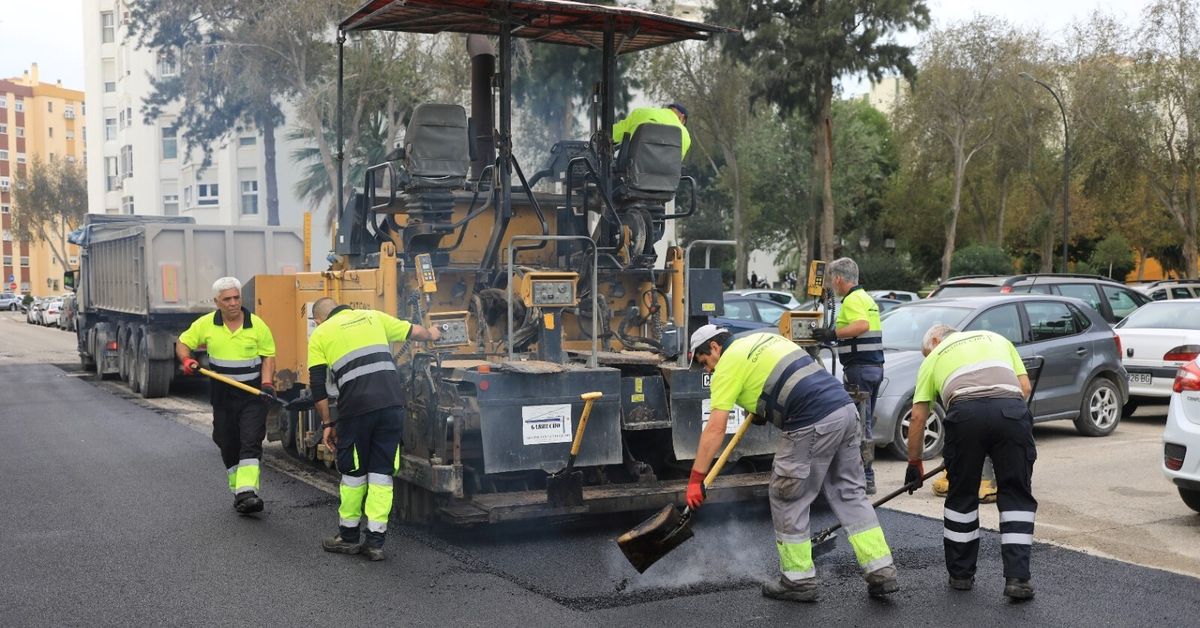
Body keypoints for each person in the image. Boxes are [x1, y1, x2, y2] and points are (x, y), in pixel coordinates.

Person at [687, 324, 898, 603]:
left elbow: (715, 429)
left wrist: (695, 480)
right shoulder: (764, 339)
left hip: (812, 421)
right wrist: (761, 407)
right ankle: (881, 571)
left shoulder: (727, 362)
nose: (708, 370)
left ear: (714, 347)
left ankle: (797, 581)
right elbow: (783, 380)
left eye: (705, 362)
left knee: (788, 496)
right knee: (849, 493)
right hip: (845, 411)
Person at [906, 325, 1037, 600]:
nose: (925, 356)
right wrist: (999, 429)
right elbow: (1024, 387)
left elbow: (918, 417)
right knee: (1016, 495)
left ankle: (961, 576)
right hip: (1011, 412)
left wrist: (914, 463)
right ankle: (1018, 578)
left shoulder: (934, 356)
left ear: (934, 340)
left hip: (964, 415)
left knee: (962, 496)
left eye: (924, 352)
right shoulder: (998, 337)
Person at [308, 297, 441, 561]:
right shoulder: (374, 316)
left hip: (356, 410)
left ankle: (347, 537)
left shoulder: (321, 333)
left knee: (354, 474)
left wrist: (327, 423)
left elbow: (317, 387)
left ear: (318, 320)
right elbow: (416, 332)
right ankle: (375, 542)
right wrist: (434, 334)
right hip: (392, 406)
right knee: (381, 475)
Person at [176, 277, 277, 515]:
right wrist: (187, 359)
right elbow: (182, 342)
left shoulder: (257, 325)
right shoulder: (206, 324)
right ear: (217, 302)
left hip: (252, 393)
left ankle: (247, 491)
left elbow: (268, 357)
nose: (233, 303)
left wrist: (267, 383)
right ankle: (238, 491)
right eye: (227, 299)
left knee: (250, 440)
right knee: (226, 441)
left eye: (236, 297)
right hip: (222, 393)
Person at [811, 257, 884, 494]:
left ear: (839, 278)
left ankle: (865, 477)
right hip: (874, 367)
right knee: (865, 421)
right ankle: (865, 475)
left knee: (858, 426)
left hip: (859, 369)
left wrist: (831, 333)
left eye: (833, 279)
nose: (832, 283)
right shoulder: (866, 298)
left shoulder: (852, 299)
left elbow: (861, 325)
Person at [612, 103, 690, 159]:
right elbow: (676, 163)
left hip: (632, 174)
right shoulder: (685, 135)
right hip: (665, 180)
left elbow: (613, 134)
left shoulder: (641, 113)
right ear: (682, 118)